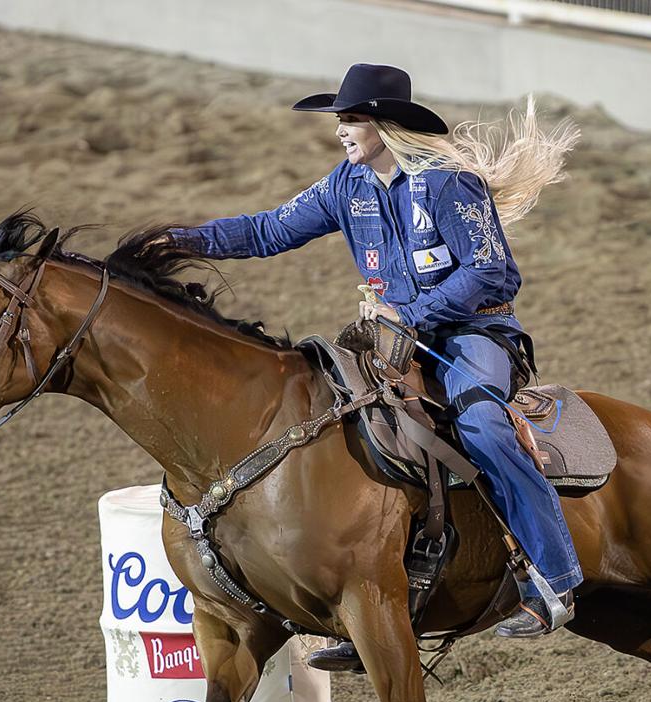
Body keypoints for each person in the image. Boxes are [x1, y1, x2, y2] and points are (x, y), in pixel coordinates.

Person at [166, 63, 583, 662]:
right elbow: (266, 230)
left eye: (352, 118)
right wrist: (182, 241)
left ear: (386, 126)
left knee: (484, 427)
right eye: (339, 118)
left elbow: (494, 272)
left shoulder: (448, 184)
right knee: (341, 439)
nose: (340, 129)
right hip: (391, 339)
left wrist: (412, 316)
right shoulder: (346, 185)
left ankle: (555, 578)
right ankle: (376, 612)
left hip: (475, 333)